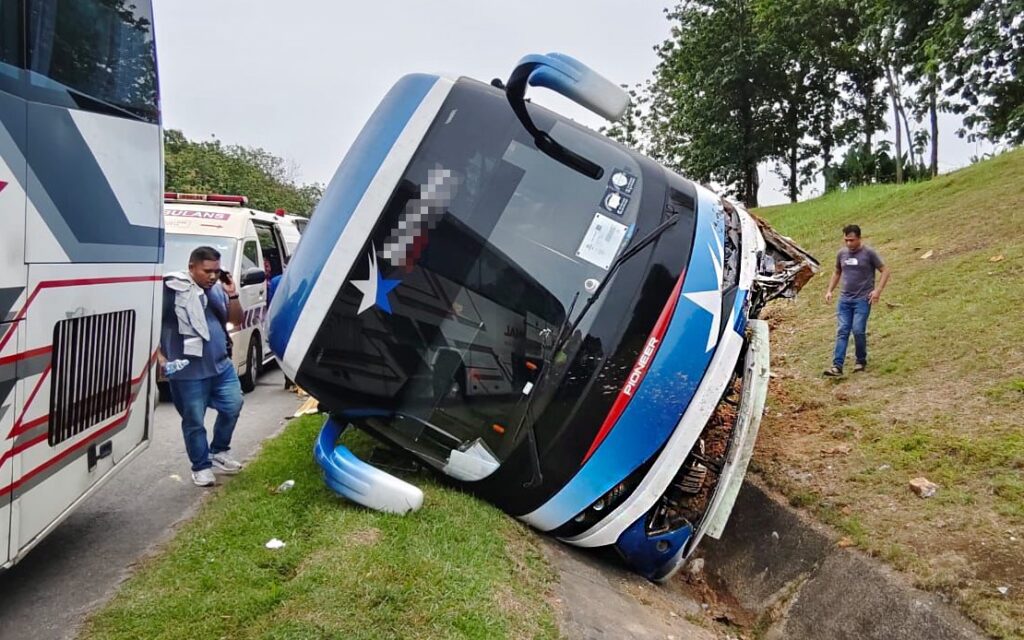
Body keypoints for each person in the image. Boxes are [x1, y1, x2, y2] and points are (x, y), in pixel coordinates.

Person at [158, 246, 246, 486]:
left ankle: (218, 451)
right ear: (191, 268)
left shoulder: (216, 290)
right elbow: (149, 323)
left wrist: (232, 294)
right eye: (207, 271)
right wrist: (161, 359)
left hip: (221, 366)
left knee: (233, 404)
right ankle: (200, 466)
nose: (213, 276)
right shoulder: (173, 290)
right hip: (188, 373)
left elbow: (236, 320)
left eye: (217, 271)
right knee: (194, 421)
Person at [823, 225, 891, 377]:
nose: (849, 244)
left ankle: (861, 360)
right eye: (846, 240)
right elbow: (837, 272)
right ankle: (837, 366)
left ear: (859, 238)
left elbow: (885, 271)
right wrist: (830, 290)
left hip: (862, 299)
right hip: (844, 300)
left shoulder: (869, 253)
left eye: (852, 240)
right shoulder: (841, 254)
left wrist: (877, 291)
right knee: (842, 331)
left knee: (858, 330)